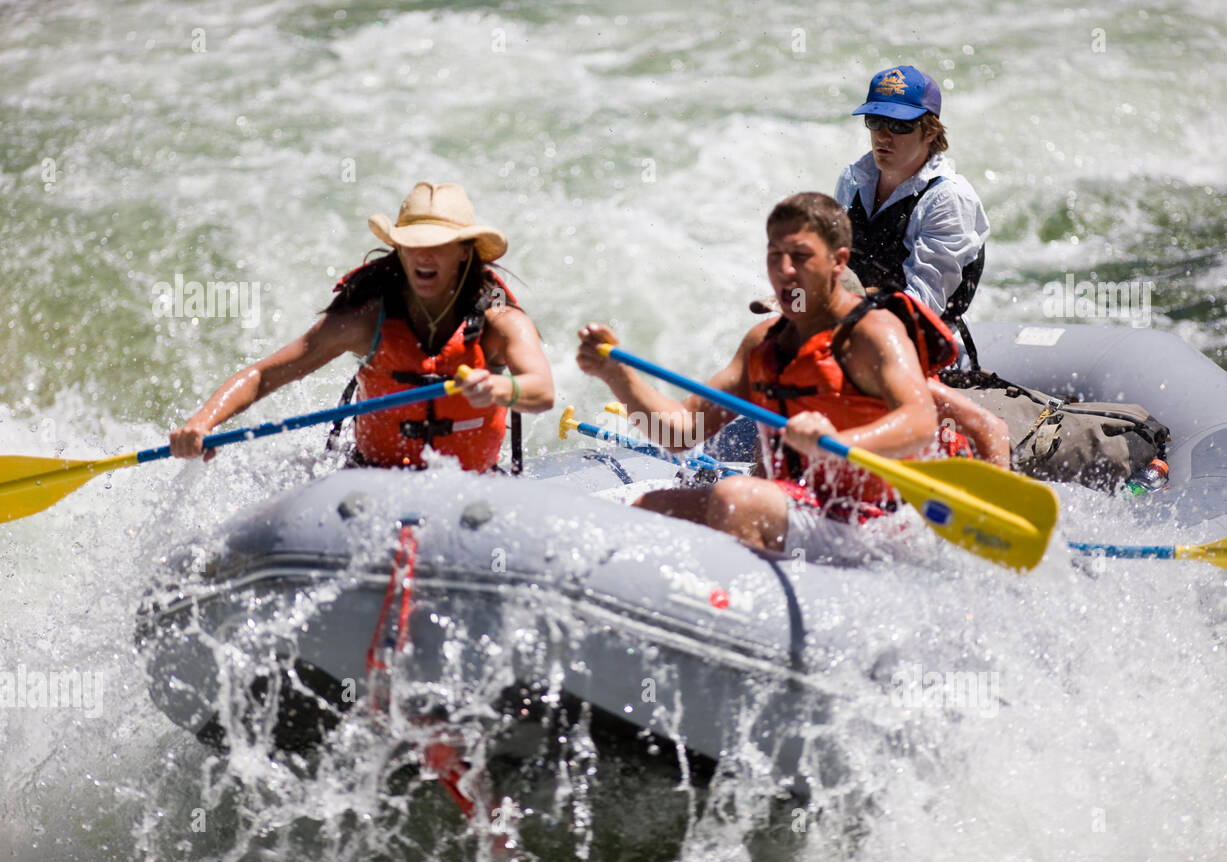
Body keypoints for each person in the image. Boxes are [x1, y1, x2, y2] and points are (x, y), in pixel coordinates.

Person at [577, 192, 1001, 562]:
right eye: (774, 255)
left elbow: (920, 421)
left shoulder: (872, 334)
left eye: (799, 256)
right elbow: (682, 430)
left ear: (838, 262)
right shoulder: (762, 344)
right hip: (811, 507)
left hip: (879, 522)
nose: (784, 270)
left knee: (737, 497)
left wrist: (839, 443)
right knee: (651, 505)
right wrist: (617, 376)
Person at [170, 182, 554, 470]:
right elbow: (263, 375)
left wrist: (502, 388)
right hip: (371, 478)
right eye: (413, 244)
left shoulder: (500, 321)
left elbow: (542, 390)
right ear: (398, 249)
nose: (424, 256)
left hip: (472, 485)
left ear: (464, 253)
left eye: (438, 245)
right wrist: (203, 422)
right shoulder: (365, 320)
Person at [835, 65, 990, 366]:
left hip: (920, 350)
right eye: (875, 121)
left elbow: (922, 304)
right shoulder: (852, 180)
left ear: (930, 131)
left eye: (898, 125)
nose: (883, 136)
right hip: (852, 331)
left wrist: (843, 304)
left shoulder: (948, 198)